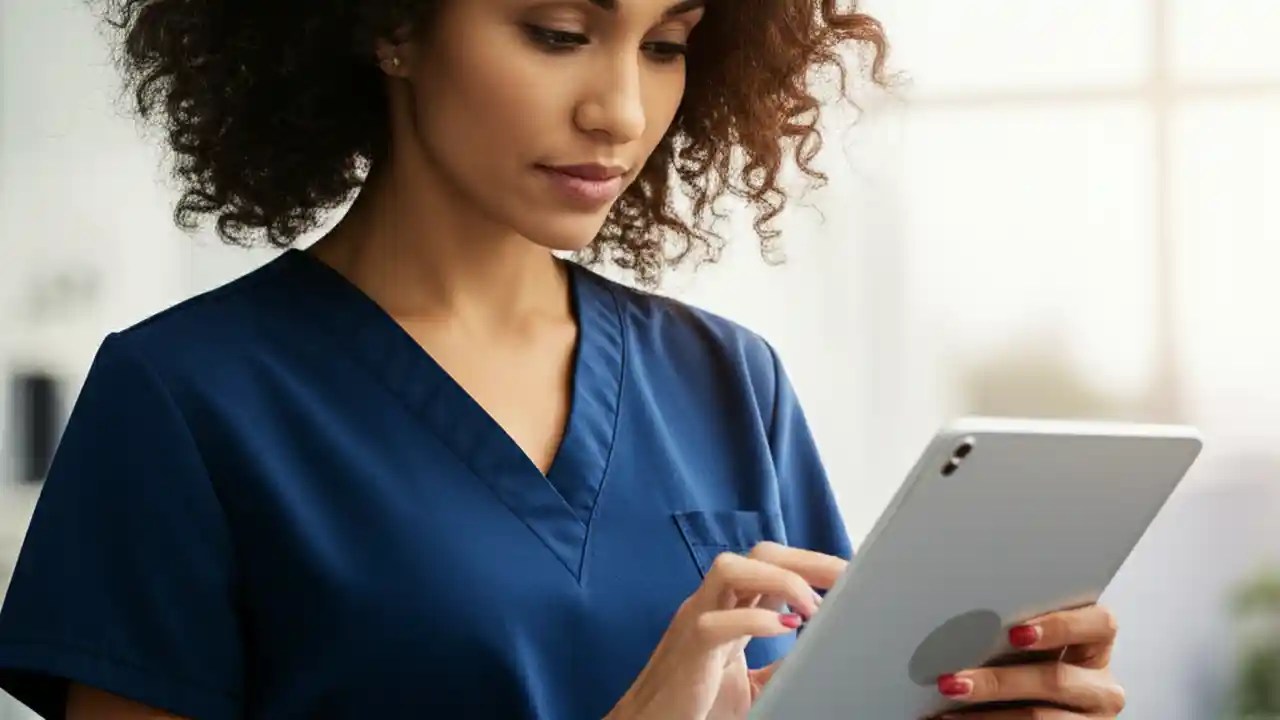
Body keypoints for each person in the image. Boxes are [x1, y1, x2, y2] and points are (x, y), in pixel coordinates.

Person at [0, 0, 1128, 718]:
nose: (620, 110)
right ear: (390, 25)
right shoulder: (186, 398)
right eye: (555, 33)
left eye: (667, 45)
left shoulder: (729, 378)